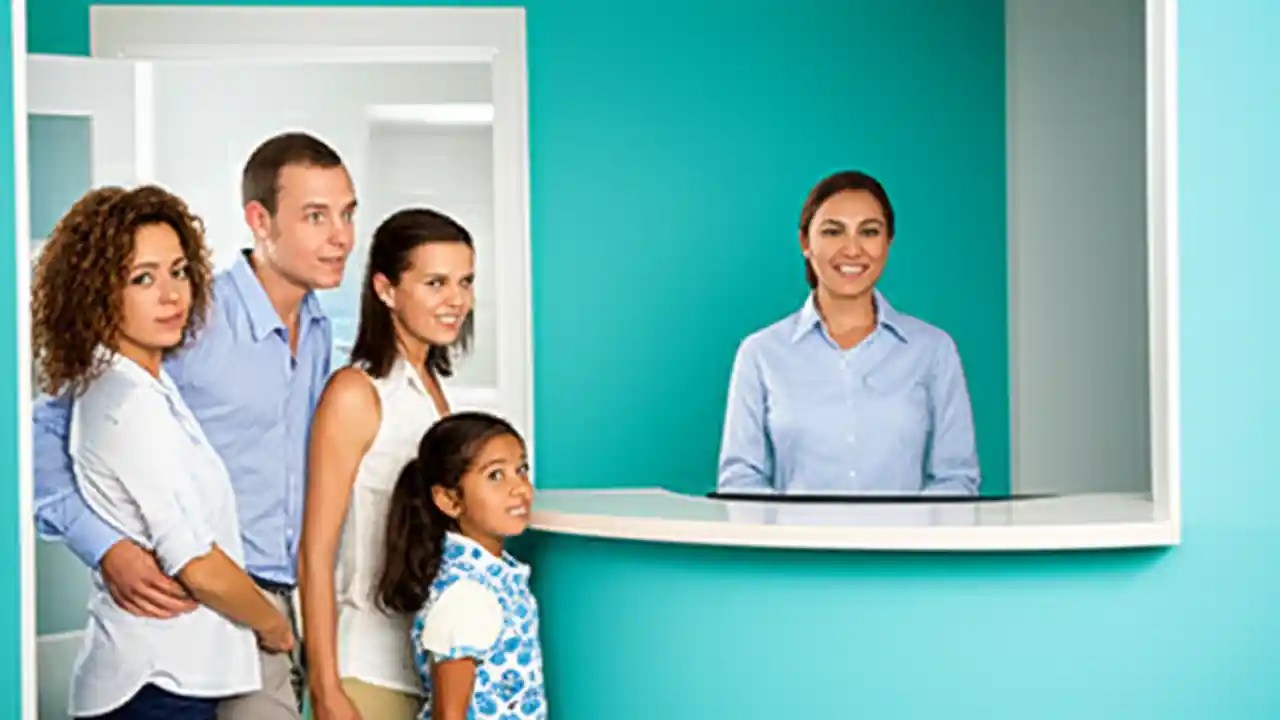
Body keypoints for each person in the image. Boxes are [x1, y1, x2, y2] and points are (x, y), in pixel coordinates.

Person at [32, 131, 359, 720]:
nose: (342, 237)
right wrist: (106, 546)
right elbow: (44, 436)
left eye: (346, 214)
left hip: (292, 601)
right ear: (260, 221)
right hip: (211, 605)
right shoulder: (191, 320)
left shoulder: (317, 331)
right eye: (316, 216)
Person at [300, 208, 478, 720]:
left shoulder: (434, 393)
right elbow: (316, 551)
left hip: (425, 666)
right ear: (385, 289)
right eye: (435, 283)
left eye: (466, 282)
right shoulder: (357, 392)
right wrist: (327, 686)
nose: (457, 300)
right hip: (369, 672)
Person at [717, 170, 981, 495]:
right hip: (794, 546)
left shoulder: (933, 350)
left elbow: (956, 478)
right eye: (833, 232)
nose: (852, 250)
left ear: (888, 242)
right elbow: (741, 480)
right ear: (805, 242)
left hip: (901, 546)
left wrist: (902, 539)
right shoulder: (760, 353)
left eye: (869, 232)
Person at [376, 412, 545, 720]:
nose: (520, 487)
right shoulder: (468, 595)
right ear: (449, 500)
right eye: (496, 476)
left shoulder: (494, 579)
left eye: (521, 470)